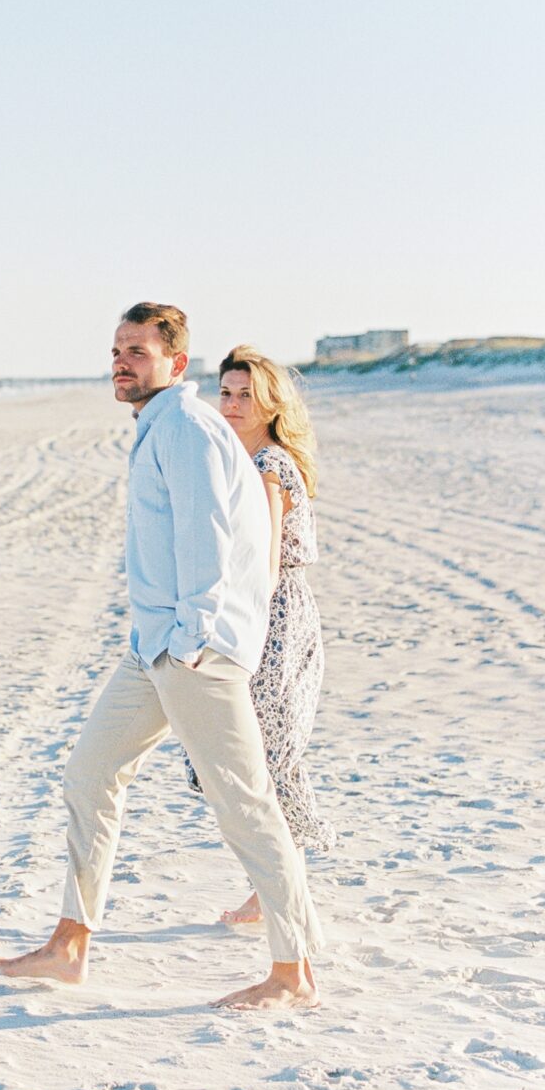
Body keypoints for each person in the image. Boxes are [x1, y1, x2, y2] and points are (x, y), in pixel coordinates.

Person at [0, 302, 324, 1010]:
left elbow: (209, 538)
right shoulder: (160, 426)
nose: (121, 362)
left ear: (175, 363)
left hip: (192, 650)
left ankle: (293, 974)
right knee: (89, 773)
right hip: (153, 648)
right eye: (116, 350)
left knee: (243, 804)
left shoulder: (186, 428)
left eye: (137, 351)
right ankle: (69, 945)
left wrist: (194, 639)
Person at [185, 346, 335, 926]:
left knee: (267, 758)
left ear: (271, 403)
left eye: (247, 394)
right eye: (225, 392)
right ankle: (271, 887)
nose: (233, 404)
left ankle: (278, 892)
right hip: (261, 614)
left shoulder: (269, 463)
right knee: (257, 758)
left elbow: (266, 562)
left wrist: (232, 619)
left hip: (275, 618)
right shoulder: (242, 459)